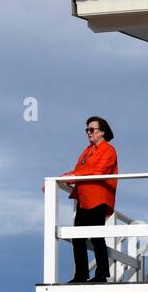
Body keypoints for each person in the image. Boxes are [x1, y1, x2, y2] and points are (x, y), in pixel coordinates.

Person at [44, 117, 118, 283]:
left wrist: (74, 176)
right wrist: (61, 178)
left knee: (96, 237)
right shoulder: (88, 150)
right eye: (87, 130)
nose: (89, 133)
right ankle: (80, 275)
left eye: (92, 129)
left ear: (102, 132)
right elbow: (79, 170)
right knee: (77, 238)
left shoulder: (108, 150)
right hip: (84, 200)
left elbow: (98, 171)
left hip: (98, 199)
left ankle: (101, 275)